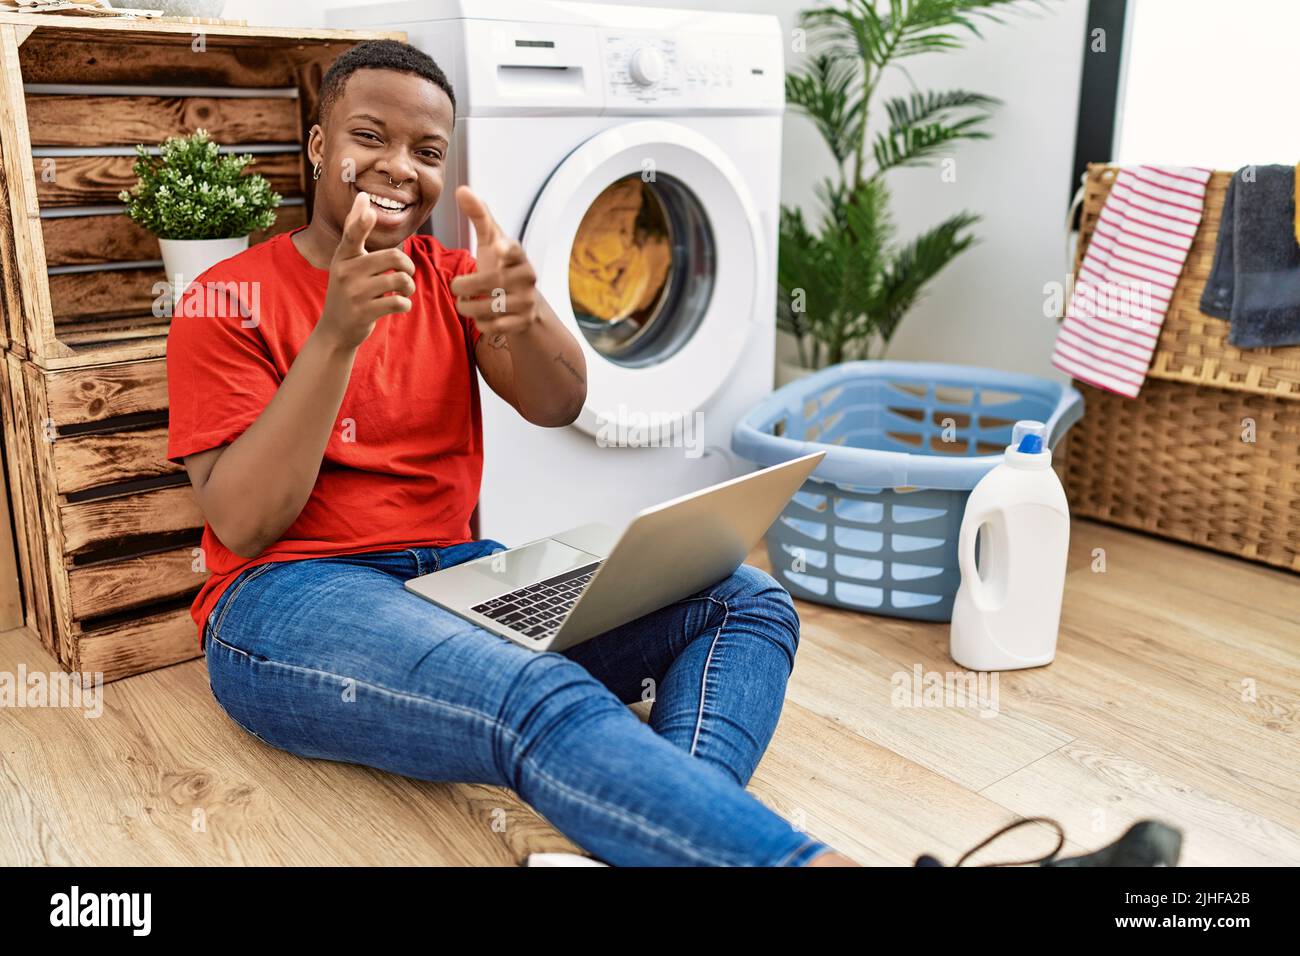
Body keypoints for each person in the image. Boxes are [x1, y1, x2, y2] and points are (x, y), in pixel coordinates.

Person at [167, 39, 1180, 869]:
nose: (401, 167)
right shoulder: (230, 297)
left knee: (743, 595)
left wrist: (527, 315)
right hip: (286, 606)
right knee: (538, 696)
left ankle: (648, 836)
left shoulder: (450, 276)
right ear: (316, 145)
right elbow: (244, 522)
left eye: (428, 149)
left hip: (459, 578)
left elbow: (561, 402)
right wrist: (336, 336)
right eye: (371, 138)